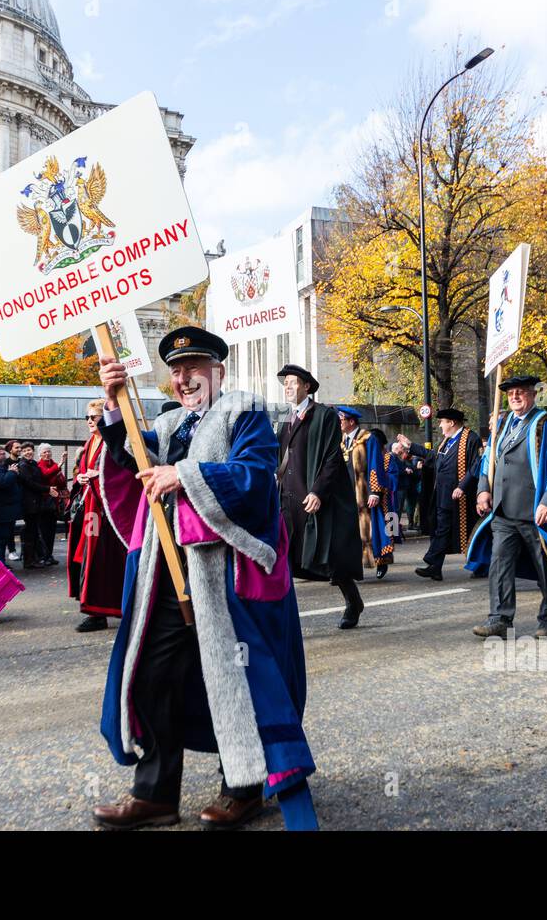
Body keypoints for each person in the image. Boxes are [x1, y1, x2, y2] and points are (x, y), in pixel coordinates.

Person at [90, 325, 317, 831]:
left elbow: (257, 482)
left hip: (227, 579)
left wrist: (186, 477)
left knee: (236, 681)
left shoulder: (246, 411)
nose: (183, 378)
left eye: (193, 368)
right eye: (175, 371)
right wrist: (113, 402)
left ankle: (243, 788)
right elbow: (140, 455)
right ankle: (155, 795)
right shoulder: (173, 424)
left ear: (218, 371)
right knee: (151, 674)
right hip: (170, 575)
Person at [466, 375, 547, 639]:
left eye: (521, 392)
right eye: (511, 393)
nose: (515, 396)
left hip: (535, 510)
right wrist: (483, 489)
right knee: (500, 565)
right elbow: (488, 461)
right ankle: (500, 618)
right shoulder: (502, 424)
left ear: (533, 394)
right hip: (503, 510)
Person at [274, 364, 366, 629]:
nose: (288, 387)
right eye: (285, 383)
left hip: (318, 499)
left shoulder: (324, 415)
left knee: (331, 556)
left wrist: (318, 491)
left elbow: (331, 457)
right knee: (287, 558)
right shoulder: (286, 419)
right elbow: (281, 457)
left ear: (307, 387)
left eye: (292, 382)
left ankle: (353, 602)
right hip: (290, 499)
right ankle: (285, 615)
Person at [399, 408, 481, 581]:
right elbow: (433, 457)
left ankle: (438, 563)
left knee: (467, 531)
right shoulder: (447, 441)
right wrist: (411, 446)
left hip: (461, 496)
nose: (440, 425)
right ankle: (435, 567)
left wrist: (462, 486)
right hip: (442, 493)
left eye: (442, 421)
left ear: (452, 423)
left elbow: (476, 466)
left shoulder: (471, 439)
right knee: (440, 529)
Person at [68, 399, 125, 632]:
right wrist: (81, 477)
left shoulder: (112, 442)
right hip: (90, 508)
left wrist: (96, 476)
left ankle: (100, 610)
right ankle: (94, 609)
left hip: (107, 512)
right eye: (87, 417)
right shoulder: (91, 441)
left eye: (94, 417)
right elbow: (82, 470)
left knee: (103, 561)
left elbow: (123, 474)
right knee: (88, 559)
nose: (89, 421)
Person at [337, 407, 394, 580]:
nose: (339, 422)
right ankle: (353, 566)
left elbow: (375, 464)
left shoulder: (368, 439)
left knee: (372, 530)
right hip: (346, 492)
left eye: (342, 419)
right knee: (350, 531)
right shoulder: (342, 440)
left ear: (351, 421)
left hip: (364, 491)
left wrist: (375, 491)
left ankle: (381, 561)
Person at [17, 441, 49, 569]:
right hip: (29, 503)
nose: (28, 452)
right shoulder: (24, 465)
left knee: (34, 531)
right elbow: (30, 483)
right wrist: (47, 489)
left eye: (29, 450)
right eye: (25, 451)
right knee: (31, 531)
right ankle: (29, 560)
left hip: (35, 502)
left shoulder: (32, 464)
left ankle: (33, 558)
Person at [35, 443, 64, 565]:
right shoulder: (39, 465)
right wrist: (59, 465)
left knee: (51, 531)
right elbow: (45, 474)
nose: (47, 454)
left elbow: (61, 482)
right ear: (40, 454)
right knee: (44, 531)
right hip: (43, 503)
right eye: (44, 452)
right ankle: (44, 556)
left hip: (53, 503)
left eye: (49, 452)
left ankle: (49, 555)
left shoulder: (54, 464)